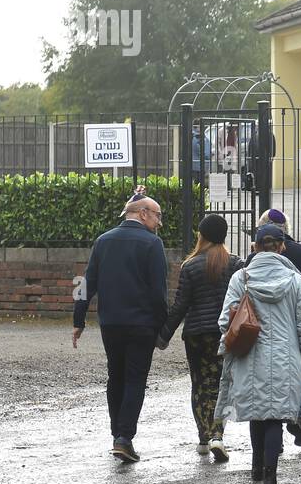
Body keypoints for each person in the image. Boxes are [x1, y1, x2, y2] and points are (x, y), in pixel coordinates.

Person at [216, 223, 301, 484]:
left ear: (256, 247)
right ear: (282, 247)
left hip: (249, 354)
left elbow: (224, 320)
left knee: (257, 411)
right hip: (285, 356)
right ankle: (271, 478)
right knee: (275, 416)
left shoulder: (241, 278)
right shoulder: (294, 280)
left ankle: (256, 467)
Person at [72, 187, 168, 464]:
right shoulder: (152, 244)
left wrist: (78, 319)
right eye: (157, 216)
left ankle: (118, 435)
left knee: (115, 377)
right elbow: (158, 291)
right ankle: (124, 437)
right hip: (142, 324)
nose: (159, 222)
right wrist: (163, 326)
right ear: (143, 213)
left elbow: (85, 283)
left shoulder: (103, 241)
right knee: (135, 379)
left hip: (111, 323)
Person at [158, 214, 243, 463]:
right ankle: (218, 434)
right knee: (222, 384)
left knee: (200, 385)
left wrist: (164, 335)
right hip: (225, 333)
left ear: (202, 236)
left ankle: (204, 438)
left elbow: (180, 305)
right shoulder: (236, 264)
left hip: (196, 334)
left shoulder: (191, 265)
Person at [257, 208, 301, 447]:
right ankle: (298, 414)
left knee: (272, 381)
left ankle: (273, 441)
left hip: (268, 331)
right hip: (300, 326)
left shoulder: (255, 259)